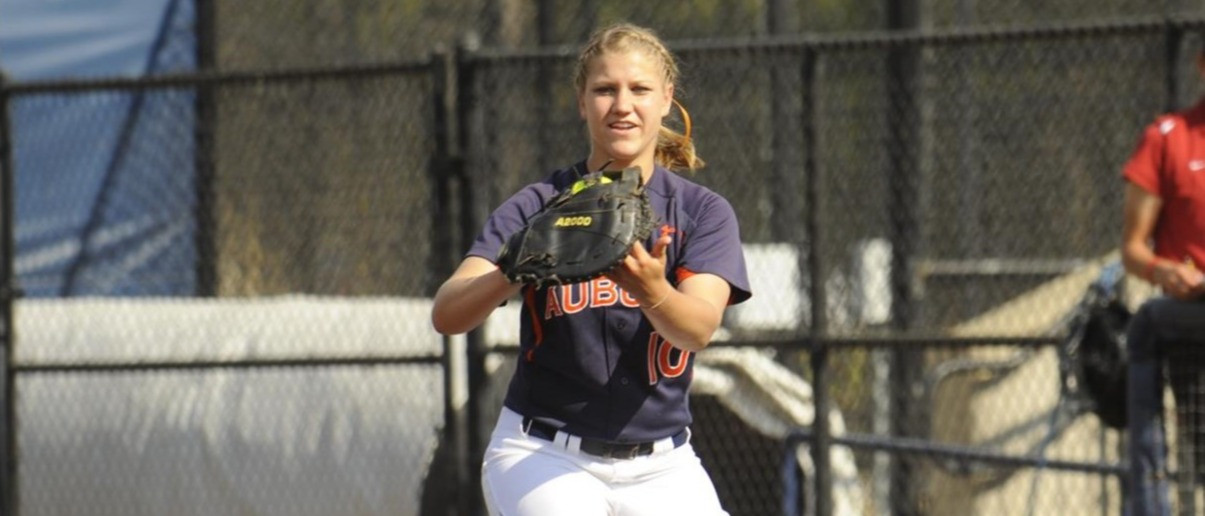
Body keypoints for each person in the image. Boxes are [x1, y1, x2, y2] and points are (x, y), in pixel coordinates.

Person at [430, 22, 752, 516]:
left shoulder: (701, 213)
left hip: (664, 466)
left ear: (666, 99)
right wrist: (513, 268)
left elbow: (698, 329)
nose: (622, 104)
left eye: (639, 89)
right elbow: (448, 314)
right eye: (604, 89)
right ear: (582, 102)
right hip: (544, 455)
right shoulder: (540, 205)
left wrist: (652, 289)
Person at [1120, 43, 1205, 516]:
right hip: (1191, 324)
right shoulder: (1168, 139)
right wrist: (1163, 270)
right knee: (1148, 322)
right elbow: (1133, 249)